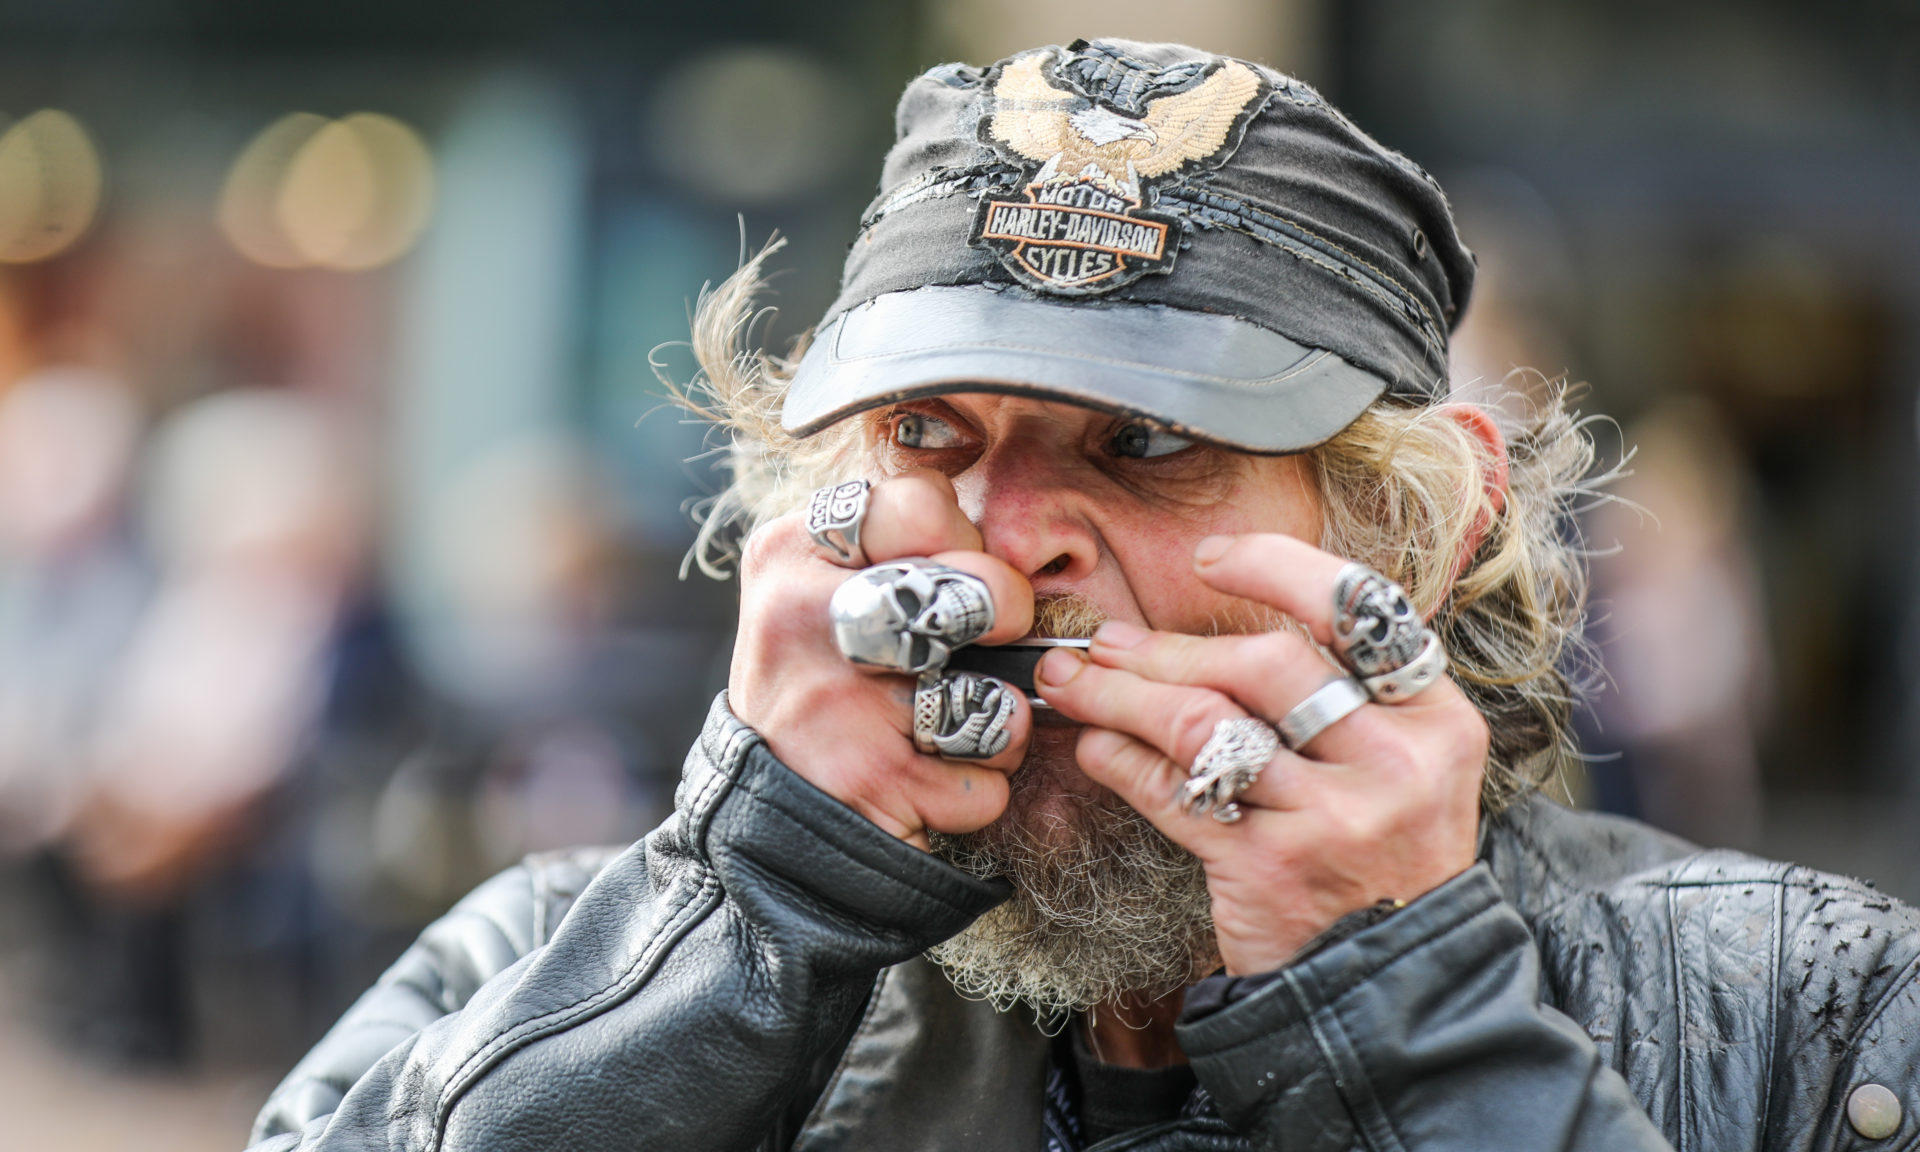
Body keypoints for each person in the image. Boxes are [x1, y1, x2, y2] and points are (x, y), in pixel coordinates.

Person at [247, 39, 1920, 1151]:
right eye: (929, 432)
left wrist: (1402, 1011)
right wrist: (744, 917)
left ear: (1424, 524)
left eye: (1145, 442)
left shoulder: (1818, 1016)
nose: (1013, 534)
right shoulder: (556, 954)